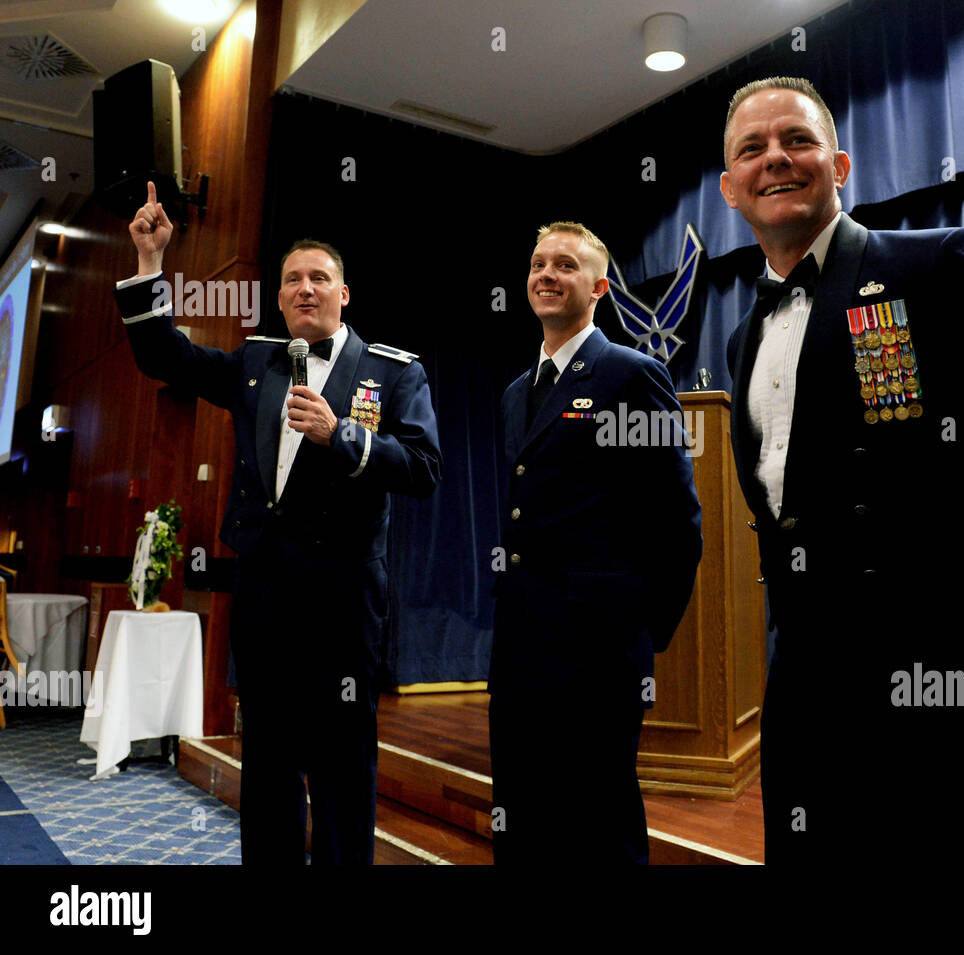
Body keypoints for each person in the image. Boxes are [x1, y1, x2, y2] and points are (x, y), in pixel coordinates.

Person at [718, 78, 964, 863]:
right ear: (730, 190)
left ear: (841, 163)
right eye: (751, 149)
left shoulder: (937, 265)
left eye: (797, 140)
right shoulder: (744, 338)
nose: (776, 160)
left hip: (929, 669)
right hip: (800, 681)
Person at [116, 182, 441, 864]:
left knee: (343, 771)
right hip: (263, 601)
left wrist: (344, 438)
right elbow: (164, 357)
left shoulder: (394, 373)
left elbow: (423, 468)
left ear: (344, 294)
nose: (304, 289)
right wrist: (150, 263)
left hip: (343, 606)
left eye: (319, 278)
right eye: (292, 279)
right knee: (265, 765)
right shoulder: (255, 363)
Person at [489, 222, 702, 864]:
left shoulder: (629, 375)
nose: (547, 275)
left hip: (598, 650)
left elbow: (677, 518)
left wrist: (639, 631)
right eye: (537, 264)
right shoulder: (512, 394)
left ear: (599, 288)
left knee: (598, 818)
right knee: (520, 811)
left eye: (565, 265)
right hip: (521, 643)